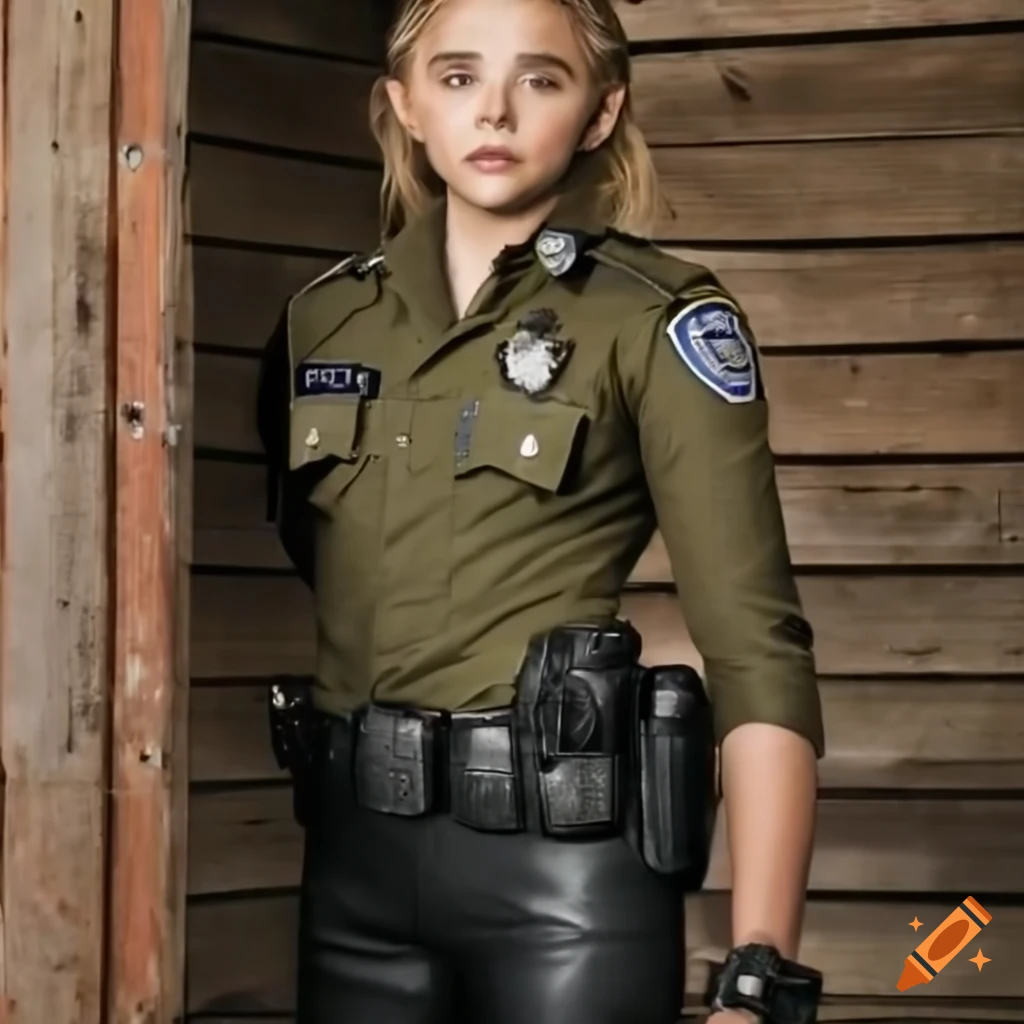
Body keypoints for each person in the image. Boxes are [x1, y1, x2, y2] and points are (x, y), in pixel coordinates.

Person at [256, 0, 826, 1022]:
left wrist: (759, 974)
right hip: (351, 872)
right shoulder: (323, 319)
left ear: (600, 114)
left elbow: (757, 648)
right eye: (460, 76)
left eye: (542, 79)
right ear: (405, 105)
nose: (497, 113)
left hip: (565, 883)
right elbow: (337, 560)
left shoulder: (656, 319)